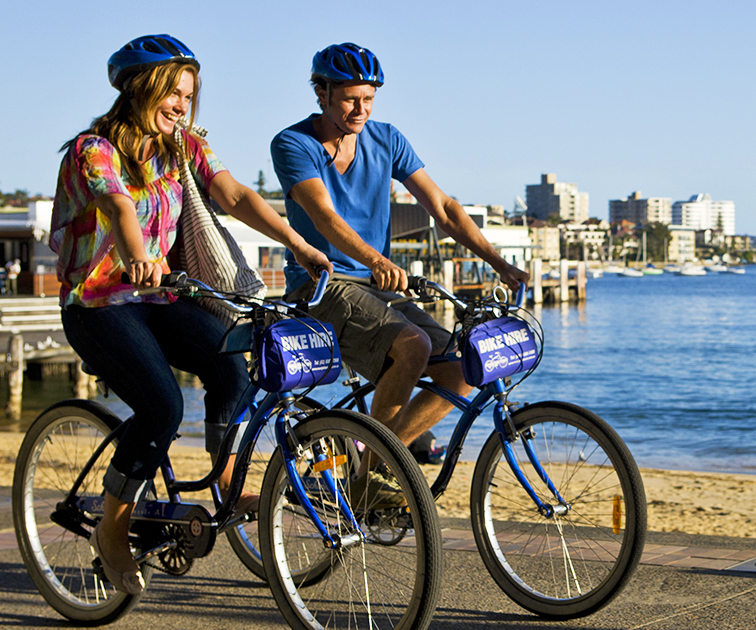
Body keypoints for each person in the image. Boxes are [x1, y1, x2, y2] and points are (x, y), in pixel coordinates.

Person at [51, 34, 328, 595]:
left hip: (161, 297)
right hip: (98, 303)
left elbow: (233, 195)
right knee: (163, 404)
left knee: (232, 360)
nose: (181, 104)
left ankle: (225, 482)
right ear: (138, 88)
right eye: (172, 92)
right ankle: (113, 527)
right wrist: (138, 257)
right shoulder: (92, 149)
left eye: (189, 95)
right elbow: (118, 204)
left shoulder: (185, 145)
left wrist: (297, 242)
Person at [270, 43, 528, 449]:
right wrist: (377, 261)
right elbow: (324, 216)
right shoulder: (293, 144)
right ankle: (380, 474)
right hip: (322, 285)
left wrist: (498, 263)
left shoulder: (387, 139)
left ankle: (379, 465)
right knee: (414, 345)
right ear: (322, 94)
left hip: (376, 288)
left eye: (369, 99)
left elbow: (443, 207)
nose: (361, 110)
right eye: (350, 100)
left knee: (462, 368)